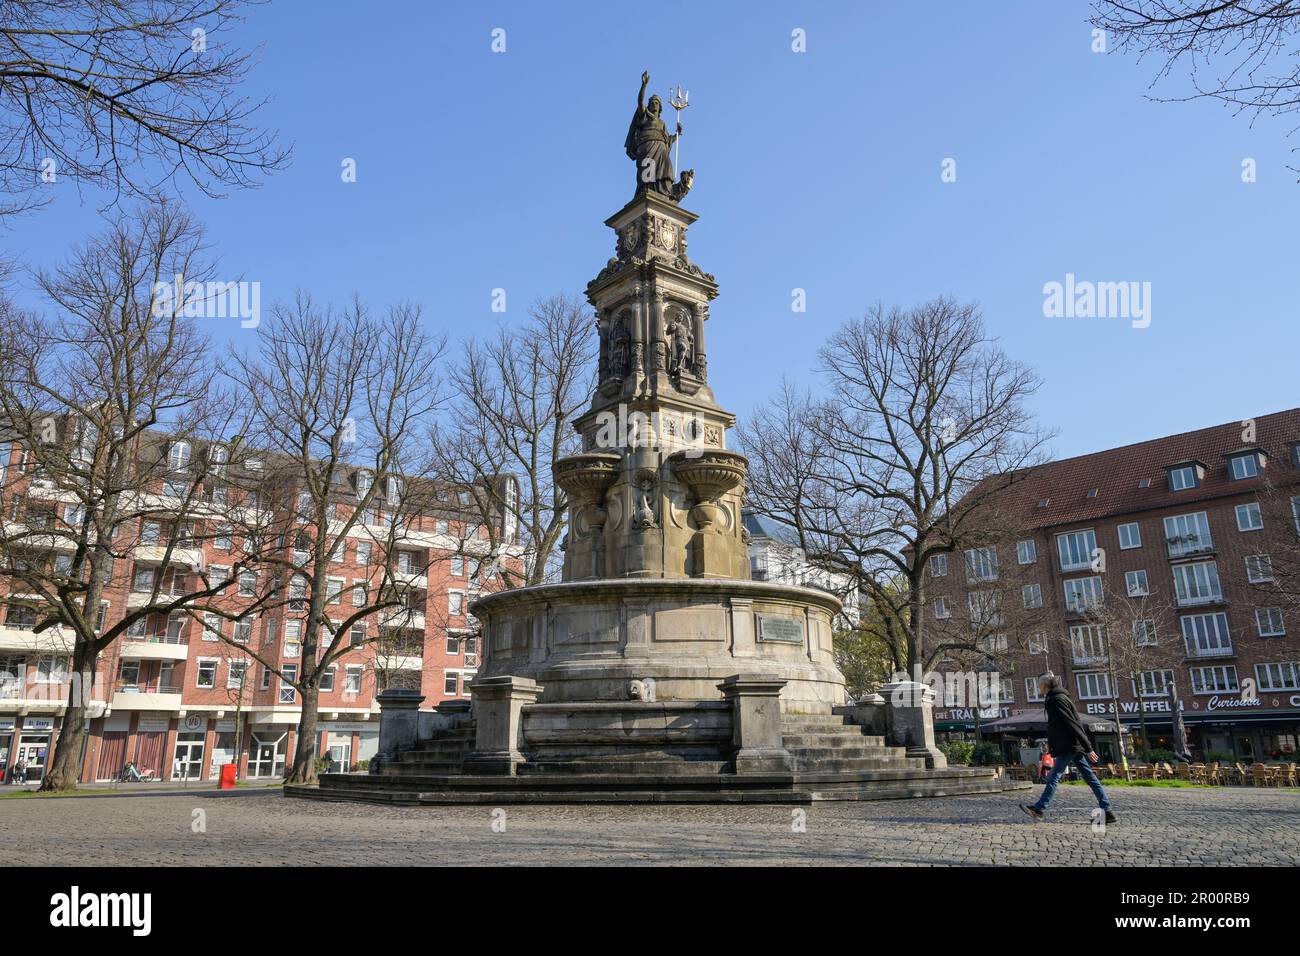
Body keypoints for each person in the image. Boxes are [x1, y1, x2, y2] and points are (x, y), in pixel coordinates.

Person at [1021, 674, 1116, 824]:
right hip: (1071, 745)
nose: (1038, 688)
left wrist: (1088, 748)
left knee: (1054, 776)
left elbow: (1073, 723)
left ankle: (1039, 808)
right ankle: (1107, 811)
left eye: (1039, 685)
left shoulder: (1057, 700)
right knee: (1090, 778)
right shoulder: (1056, 698)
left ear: (1045, 686)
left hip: (1069, 746)